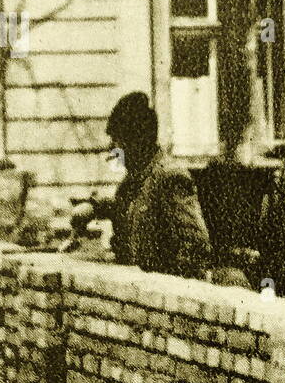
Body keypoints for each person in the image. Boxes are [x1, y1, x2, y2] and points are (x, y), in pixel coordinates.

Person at [82, 92, 213, 279]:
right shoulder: (131, 183)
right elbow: (128, 208)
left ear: (135, 142)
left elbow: (196, 247)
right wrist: (94, 207)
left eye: (117, 141)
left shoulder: (170, 177)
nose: (111, 148)